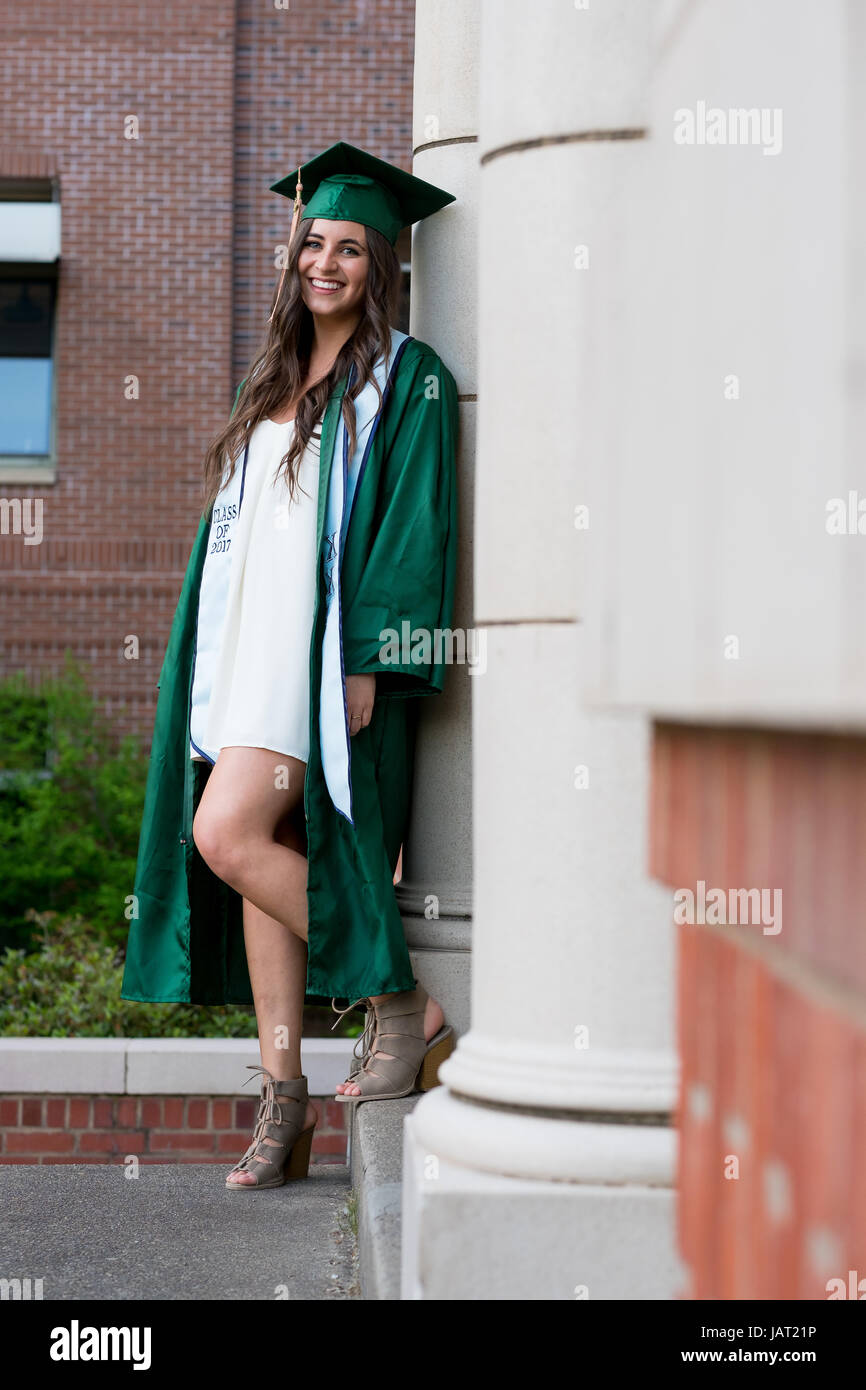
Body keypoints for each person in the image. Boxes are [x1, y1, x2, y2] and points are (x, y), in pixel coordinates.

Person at [121, 142, 460, 1190]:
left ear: (381, 264)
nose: (325, 262)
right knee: (249, 841)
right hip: (246, 652)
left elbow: (414, 526)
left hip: (317, 663)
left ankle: (398, 998)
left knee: (224, 833)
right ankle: (284, 1101)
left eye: (348, 248)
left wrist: (370, 656)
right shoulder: (269, 376)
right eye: (311, 242)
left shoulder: (409, 381)